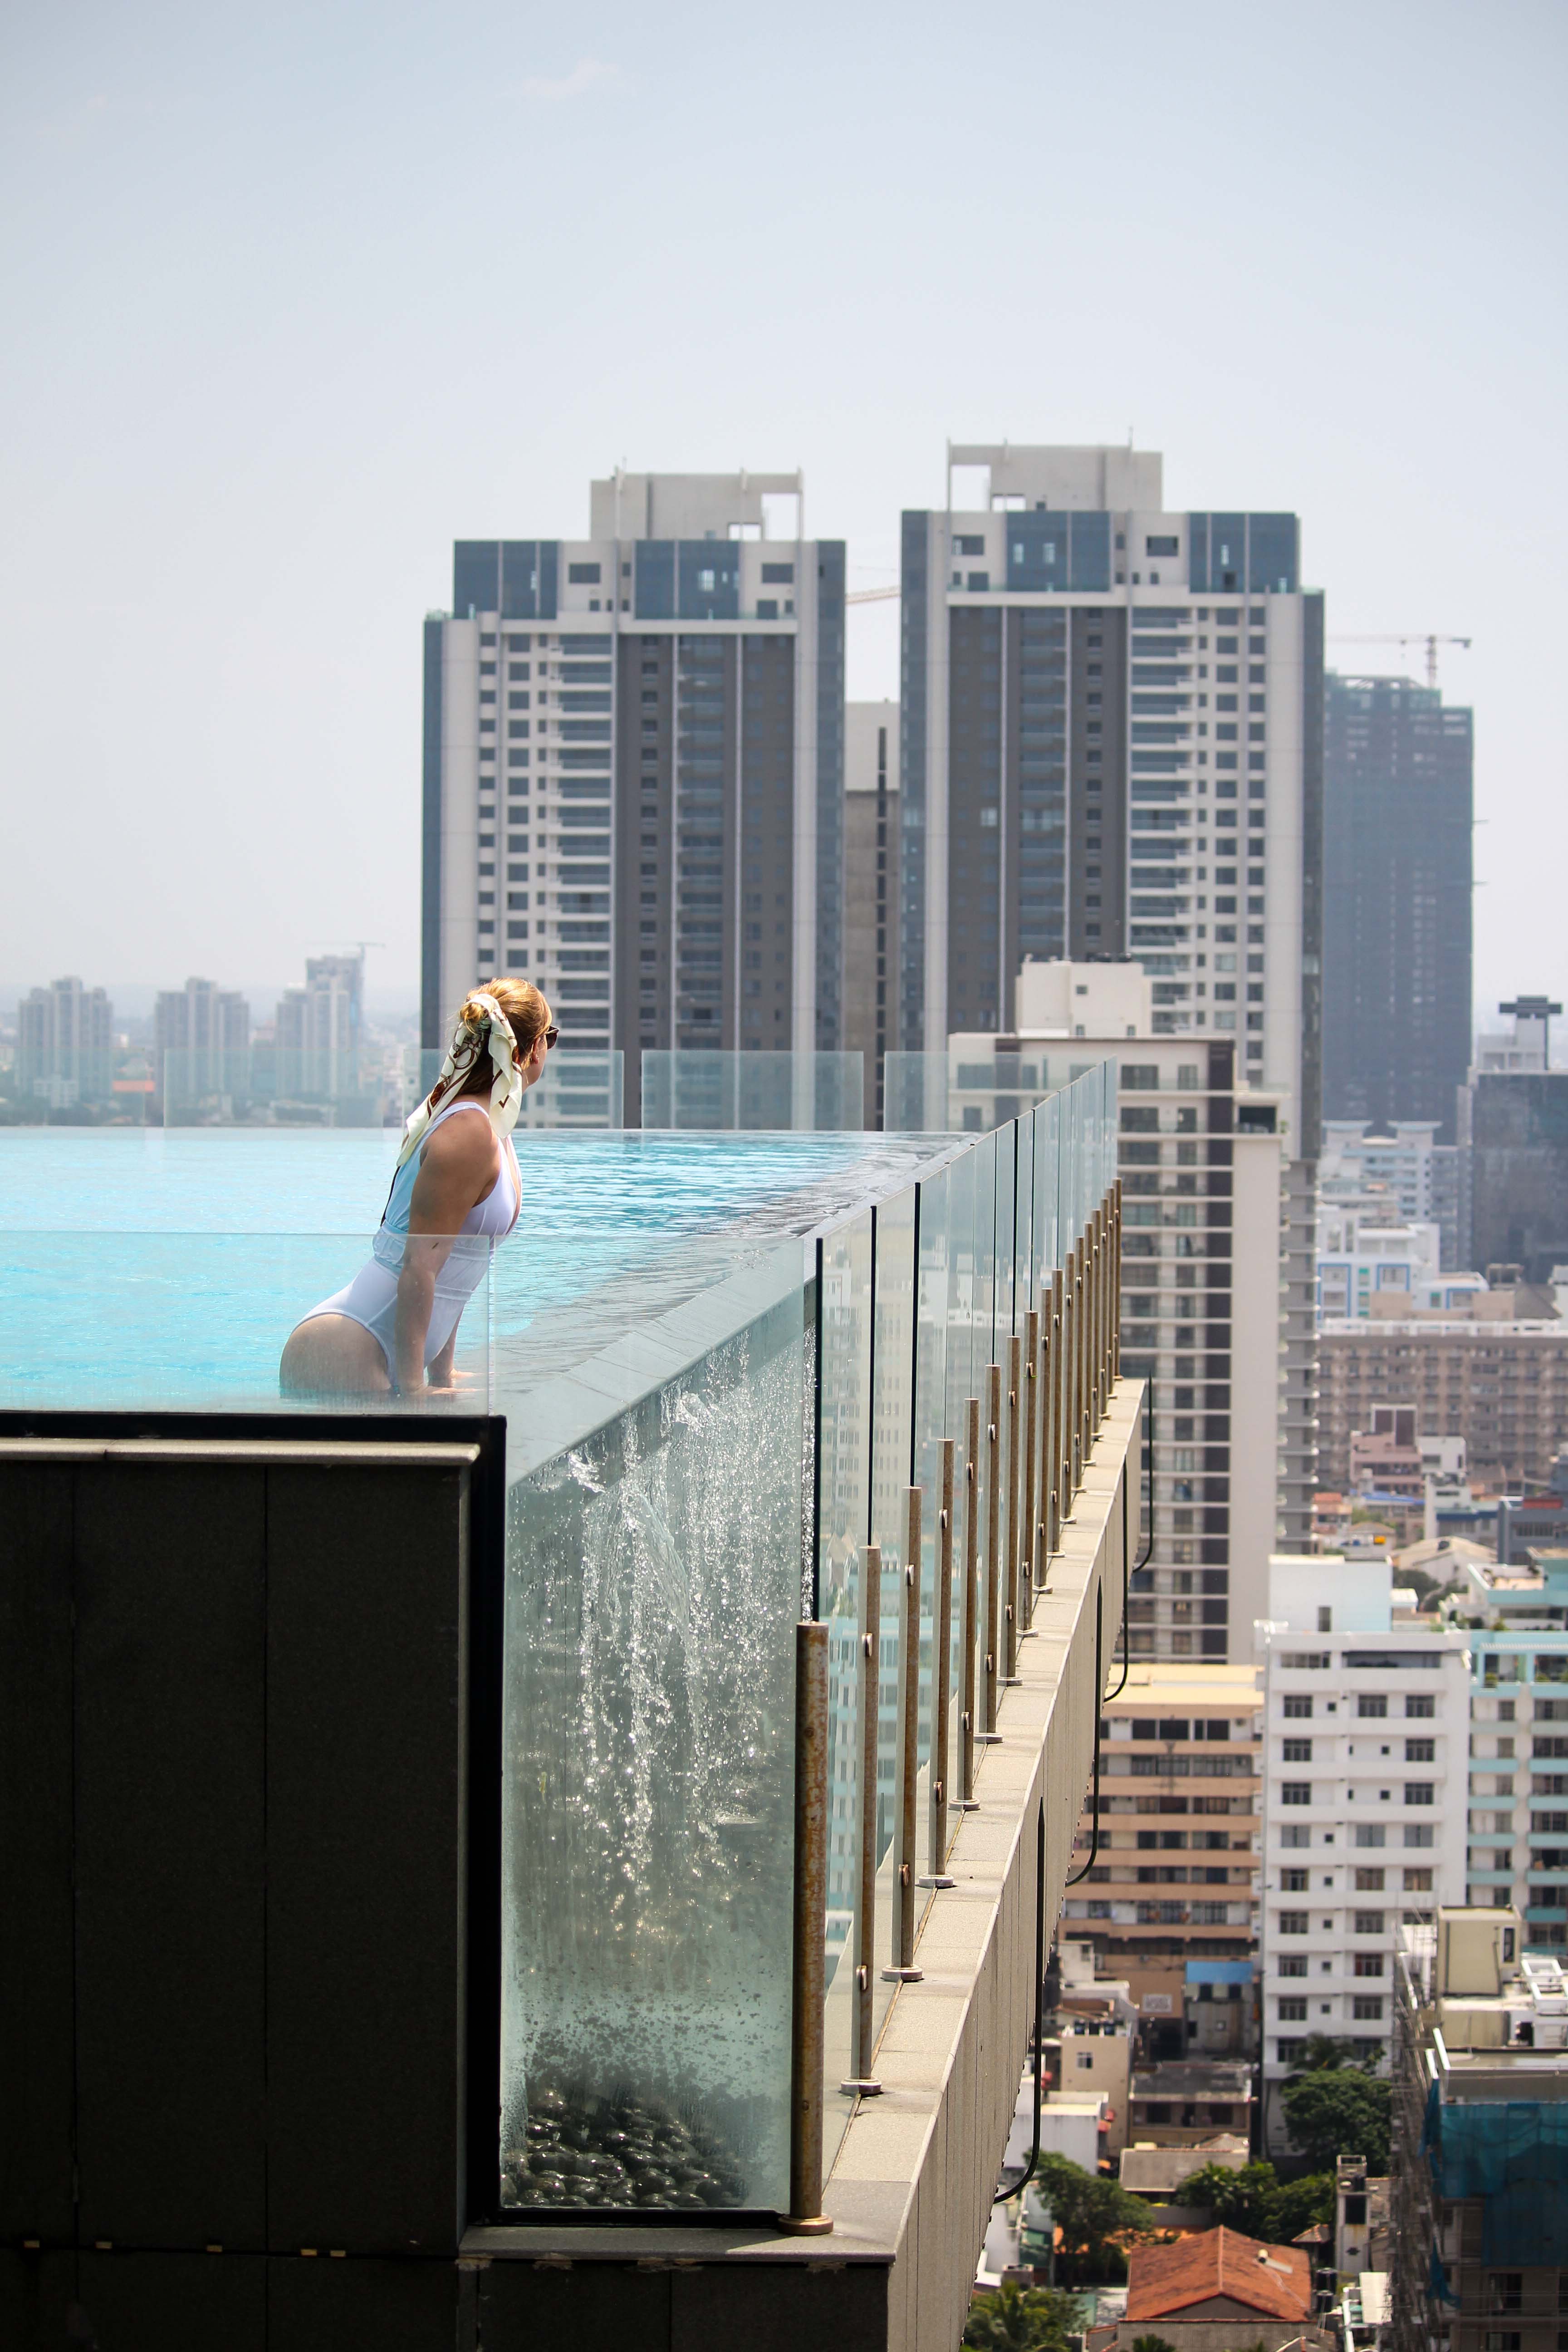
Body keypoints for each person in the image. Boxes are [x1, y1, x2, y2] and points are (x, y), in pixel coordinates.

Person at [279, 979, 554, 1397]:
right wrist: (413, 1388)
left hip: (365, 1350)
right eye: (551, 1037)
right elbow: (420, 1265)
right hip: (348, 1349)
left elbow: (459, 1261)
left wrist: (443, 1372)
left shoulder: (492, 1123)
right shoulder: (470, 1132)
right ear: (533, 1047)